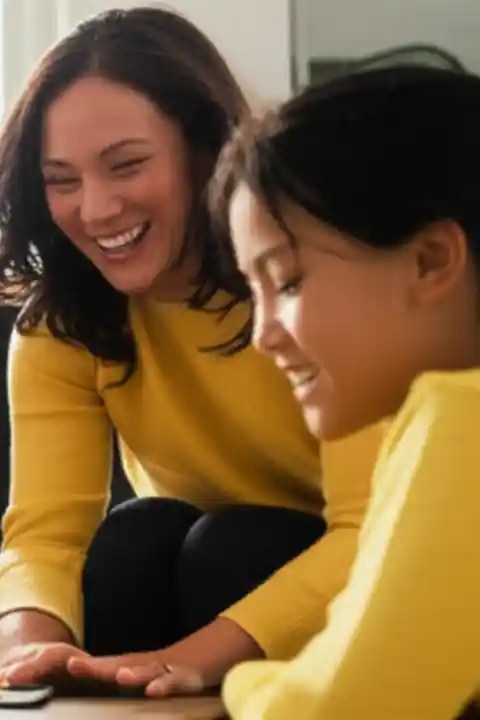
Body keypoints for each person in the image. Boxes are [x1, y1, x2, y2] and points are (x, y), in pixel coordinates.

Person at [0, 7, 382, 694]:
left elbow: (375, 529)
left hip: (359, 578)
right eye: (62, 180)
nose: (95, 210)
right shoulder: (63, 324)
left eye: (126, 165)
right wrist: (23, 655)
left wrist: (195, 655)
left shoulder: (319, 281)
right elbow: (45, 538)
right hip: (193, 578)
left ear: (205, 150)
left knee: (229, 547)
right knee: (139, 537)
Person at [208, 65, 480, 719]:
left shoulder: (462, 422)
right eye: (255, 292)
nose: (263, 335)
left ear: (431, 261)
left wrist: (243, 688)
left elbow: (340, 708)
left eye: (289, 282)